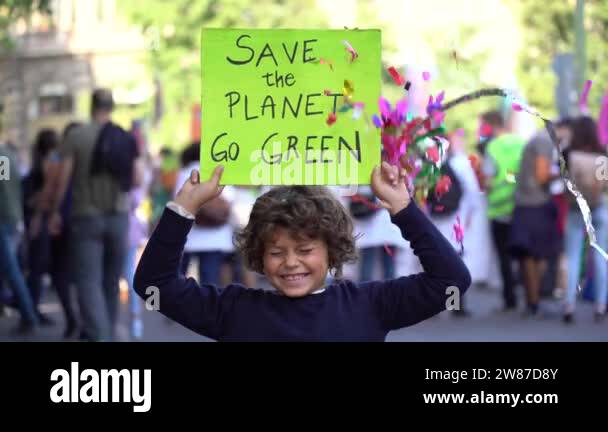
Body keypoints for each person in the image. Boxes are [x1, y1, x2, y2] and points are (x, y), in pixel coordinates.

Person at [133, 162, 471, 341]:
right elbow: (153, 287)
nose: (291, 262)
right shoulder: (234, 310)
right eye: (277, 252)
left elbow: (451, 282)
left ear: (332, 250)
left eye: (305, 249)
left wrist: (402, 207)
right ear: (259, 256)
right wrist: (182, 209)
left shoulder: (370, 305)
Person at [509, 124, 561, 317]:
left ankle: (532, 303)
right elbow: (541, 176)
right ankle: (534, 302)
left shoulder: (534, 141)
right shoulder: (544, 142)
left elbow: (519, 174)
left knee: (528, 257)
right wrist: (563, 174)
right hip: (536, 206)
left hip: (524, 205)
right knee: (537, 256)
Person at [562, 116, 608, 323]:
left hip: (575, 210)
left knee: (572, 257)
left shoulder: (568, 153)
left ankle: (569, 304)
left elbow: (563, 180)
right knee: (600, 257)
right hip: (599, 209)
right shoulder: (602, 153)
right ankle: (600, 305)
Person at [480, 111, 526, 312]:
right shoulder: (520, 143)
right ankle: (530, 297)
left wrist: (487, 185)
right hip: (520, 205)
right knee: (523, 253)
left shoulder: (493, 147)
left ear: (490, 125)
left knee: (504, 256)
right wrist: (511, 181)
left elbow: (488, 180)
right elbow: (518, 172)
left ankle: (510, 299)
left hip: (498, 209)